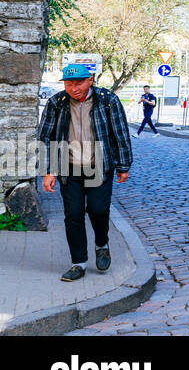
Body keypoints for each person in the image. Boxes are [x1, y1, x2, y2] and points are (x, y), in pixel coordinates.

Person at [37, 64, 132, 282]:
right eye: (69, 84)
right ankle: (78, 263)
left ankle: (102, 244)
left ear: (90, 80)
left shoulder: (107, 100)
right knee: (73, 215)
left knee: (98, 210)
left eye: (79, 83)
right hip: (69, 169)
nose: (74, 88)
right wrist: (48, 171)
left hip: (98, 166)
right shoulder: (56, 103)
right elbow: (45, 137)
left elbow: (120, 133)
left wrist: (124, 165)